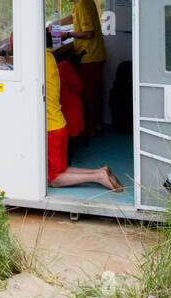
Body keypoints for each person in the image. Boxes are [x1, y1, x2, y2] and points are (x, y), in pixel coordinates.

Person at [45, 46, 123, 192]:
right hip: (59, 123)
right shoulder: (48, 57)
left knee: (54, 179)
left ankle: (98, 177)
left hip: (50, 129)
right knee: (60, 170)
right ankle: (100, 171)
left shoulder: (37, 62)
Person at [53, 0, 107, 137]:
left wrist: (68, 34)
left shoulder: (83, 4)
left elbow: (89, 33)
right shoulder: (85, 0)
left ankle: (90, 129)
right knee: (95, 92)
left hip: (90, 55)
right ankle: (96, 125)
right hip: (96, 54)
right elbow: (73, 17)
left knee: (89, 94)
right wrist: (55, 23)